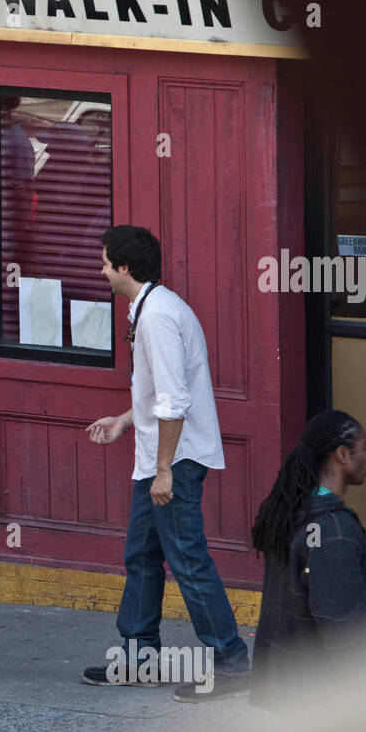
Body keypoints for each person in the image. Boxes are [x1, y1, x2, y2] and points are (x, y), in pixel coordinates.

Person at [82, 225, 251, 701]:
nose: (102, 271)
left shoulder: (156, 316)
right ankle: (139, 656)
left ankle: (231, 661)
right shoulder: (156, 307)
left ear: (125, 268)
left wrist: (164, 471)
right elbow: (159, 396)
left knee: (188, 559)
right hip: (156, 458)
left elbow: (175, 401)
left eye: (105, 262)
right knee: (141, 554)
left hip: (172, 462)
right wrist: (122, 420)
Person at [249, 410, 366, 711]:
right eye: (364, 448)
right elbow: (341, 626)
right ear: (342, 454)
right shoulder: (333, 532)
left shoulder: (291, 512)